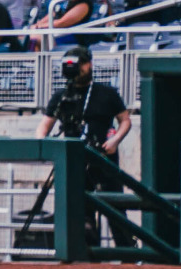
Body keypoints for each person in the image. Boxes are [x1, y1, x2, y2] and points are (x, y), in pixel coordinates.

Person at [36, 44, 135, 248]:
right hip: (75, 165)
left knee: (116, 210)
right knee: (82, 214)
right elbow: (43, 127)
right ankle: (88, 254)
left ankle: (127, 253)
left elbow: (125, 120)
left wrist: (115, 140)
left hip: (105, 161)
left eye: (80, 64)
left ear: (89, 64)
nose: (77, 68)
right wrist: (47, 148)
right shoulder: (61, 96)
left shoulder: (107, 93)